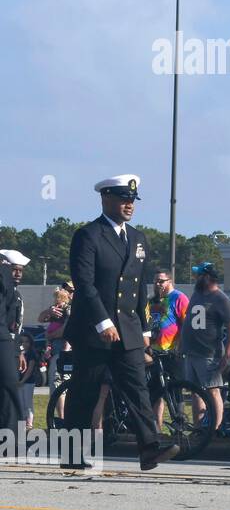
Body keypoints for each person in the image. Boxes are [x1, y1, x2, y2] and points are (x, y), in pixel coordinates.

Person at [63, 176, 178, 470]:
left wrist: (146, 330)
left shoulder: (138, 238)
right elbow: (85, 284)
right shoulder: (89, 235)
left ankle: (149, 448)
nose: (129, 206)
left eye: (132, 200)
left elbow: (138, 288)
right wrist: (103, 322)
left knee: (138, 387)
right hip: (94, 330)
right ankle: (71, 454)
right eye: (124, 199)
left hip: (128, 328)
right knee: (85, 393)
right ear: (106, 199)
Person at [180, 262, 230, 435]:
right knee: (195, 391)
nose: (196, 278)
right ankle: (199, 428)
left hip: (209, 353)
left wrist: (228, 353)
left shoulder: (220, 298)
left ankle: (215, 429)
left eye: (199, 275)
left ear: (207, 277)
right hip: (191, 351)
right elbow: (189, 320)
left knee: (213, 390)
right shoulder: (197, 294)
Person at [144, 269, 188, 429]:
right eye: (155, 281)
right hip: (153, 352)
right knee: (154, 393)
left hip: (172, 352)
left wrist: (179, 346)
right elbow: (145, 326)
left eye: (161, 281)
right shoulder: (151, 301)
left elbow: (186, 325)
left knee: (176, 391)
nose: (158, 284)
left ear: (170, 281)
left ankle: (179, 426)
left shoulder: (179, 297)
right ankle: (156, 429)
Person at [0, 250, 25, 449]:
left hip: (6, 341)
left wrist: (19, 350)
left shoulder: (14, 292)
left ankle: (8, 440)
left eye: (19, 271)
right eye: (13, 269)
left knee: (9, 386)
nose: (16, 274)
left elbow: (14, 326)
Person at [39, 282, 74, 385]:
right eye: (66, 290)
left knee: (60, 384)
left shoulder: (71, 308)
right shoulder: (57, 308)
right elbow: (41, 319)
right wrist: (48, 311)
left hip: (67, 352)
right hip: (56, 351)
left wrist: (49, 335)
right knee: (56, 384)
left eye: (71, 291)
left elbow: (66, 330)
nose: (68, 293)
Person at [17, 333, 39, 431]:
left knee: (28, 403)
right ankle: (21, 422)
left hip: (28, 381)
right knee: (21, 403)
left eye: (26, 341)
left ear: (30, 343)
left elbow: (29, 370)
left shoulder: (31, 354)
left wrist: (23, 381)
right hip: (19, 381)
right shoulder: (19, 353)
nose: (24, 344)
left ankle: (29, 424)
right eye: (22, 342)